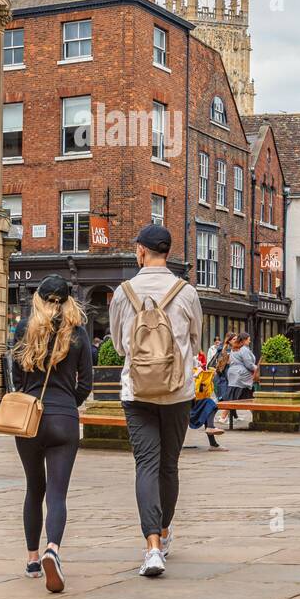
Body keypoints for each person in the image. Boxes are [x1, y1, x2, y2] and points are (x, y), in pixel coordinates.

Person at [109, 223, 202, 579]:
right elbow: (194, 342)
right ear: (168, 252)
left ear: (140, 251)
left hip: (137, 390)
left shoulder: (124, 292)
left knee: (145, 465)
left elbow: (119, 345)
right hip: (178, 391)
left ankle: (150, 550)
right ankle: (163, 534)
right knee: (169, 465)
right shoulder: (187, 291)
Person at [9, 275, 93, 592]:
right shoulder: (79, 333)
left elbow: (16, 376)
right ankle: (52, 550)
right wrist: (70, 405)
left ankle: (32, 559)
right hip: (64, 418)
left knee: (34, 488)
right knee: (58, 494)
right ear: (68, 301)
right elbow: (86, 382)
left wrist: (29, 397)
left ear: (39, 299)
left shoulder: (23, 328)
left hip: (29, 418)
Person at [225, 332, 259, 426]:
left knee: (233, 398)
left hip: (233, 375)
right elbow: (248, 364)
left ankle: (228, 419)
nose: (250, 340)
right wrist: (258, 369)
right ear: (244, 340)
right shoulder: (244, 349)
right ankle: (257, 417)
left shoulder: (234, 348)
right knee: (250, 398)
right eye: (248, 339)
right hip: (242, 377)